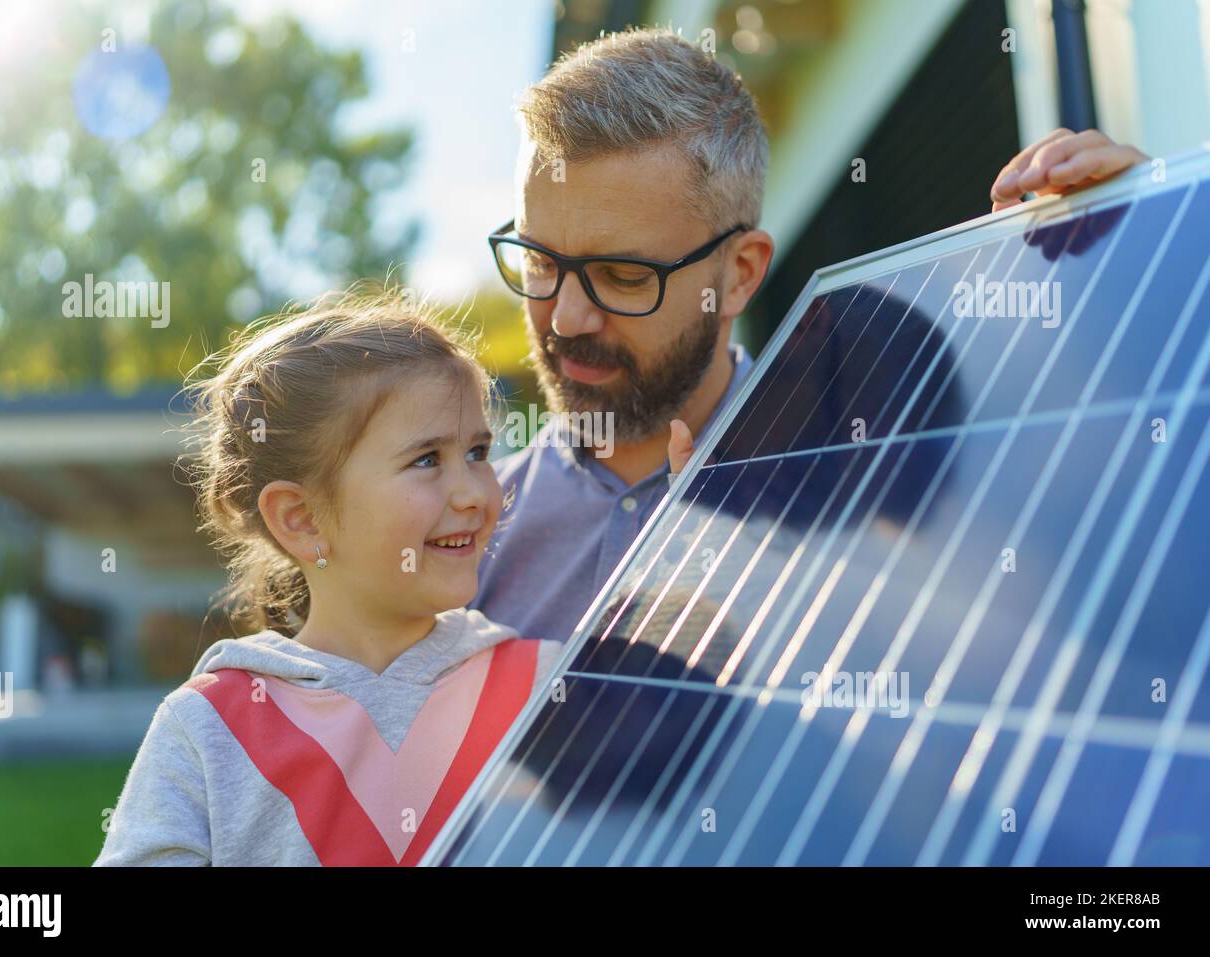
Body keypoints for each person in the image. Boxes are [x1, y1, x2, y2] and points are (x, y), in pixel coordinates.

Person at [470, 26, 1148, 644]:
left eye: (620, 276)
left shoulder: (880, 484)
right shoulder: (455, 538)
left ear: (739, 275)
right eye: (539, 262)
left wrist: (1132, 285)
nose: (563, 319)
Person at [94, 288, 569, 866]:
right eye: (426, 460)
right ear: (301, 519)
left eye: (477, 451)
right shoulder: (208, 727)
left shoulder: (547, 687)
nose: (475, 492)